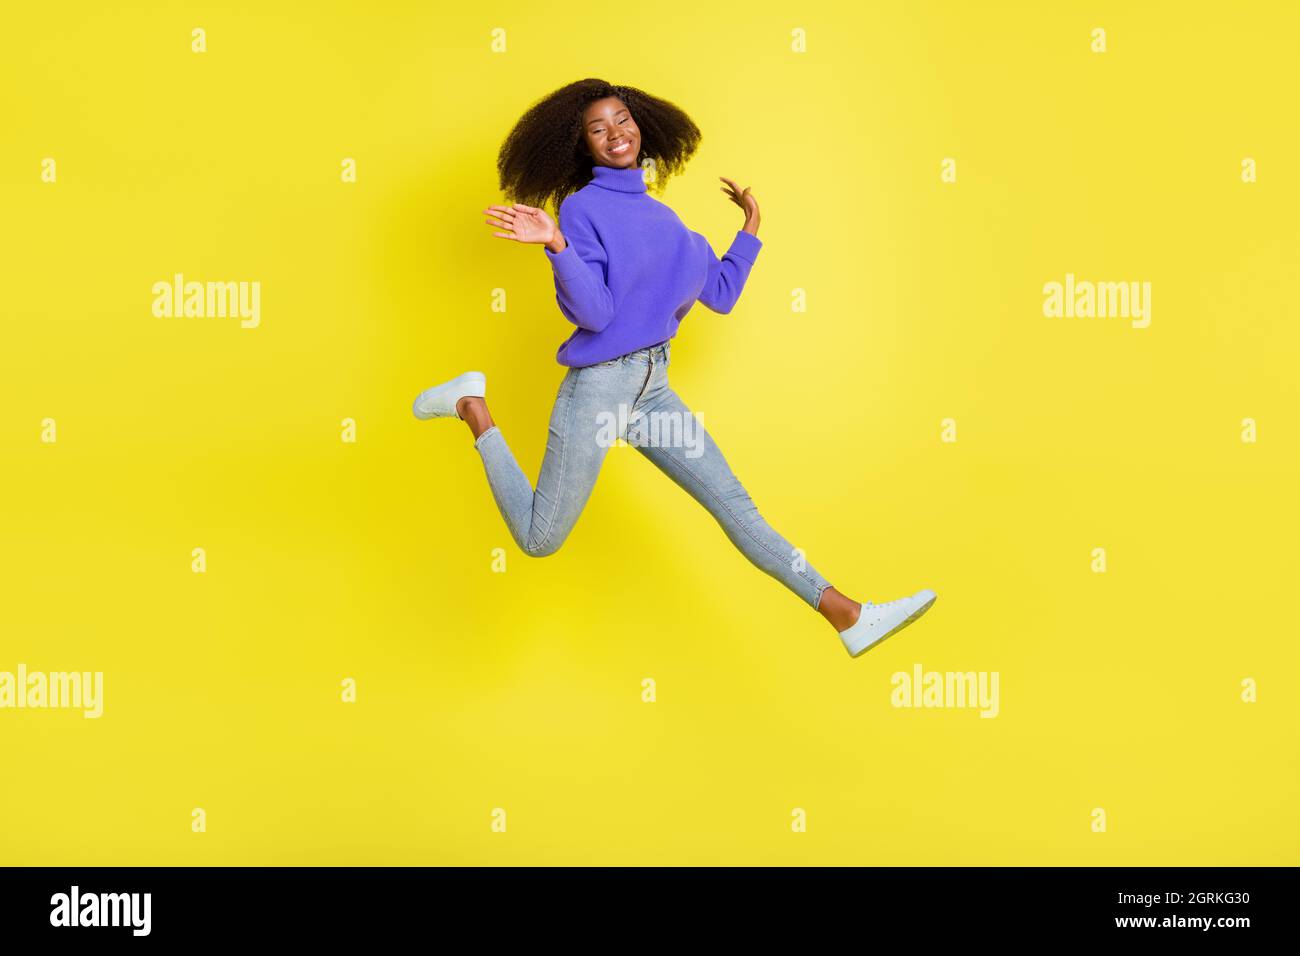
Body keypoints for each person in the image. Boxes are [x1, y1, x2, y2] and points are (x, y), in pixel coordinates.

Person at [413, 78, 936, 657]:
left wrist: (750, 228)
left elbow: (721, 292)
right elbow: (596, 314)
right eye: (598, 128)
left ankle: (848, 616)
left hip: (653, 392)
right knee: (541, 539)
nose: (615, 133)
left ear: (641, 125)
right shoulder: (582, 209)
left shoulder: (666, 221)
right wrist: (557, 246)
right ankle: (473, 408)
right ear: (582, 145)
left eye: (622, 119)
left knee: (735, 508)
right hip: (600, 389)